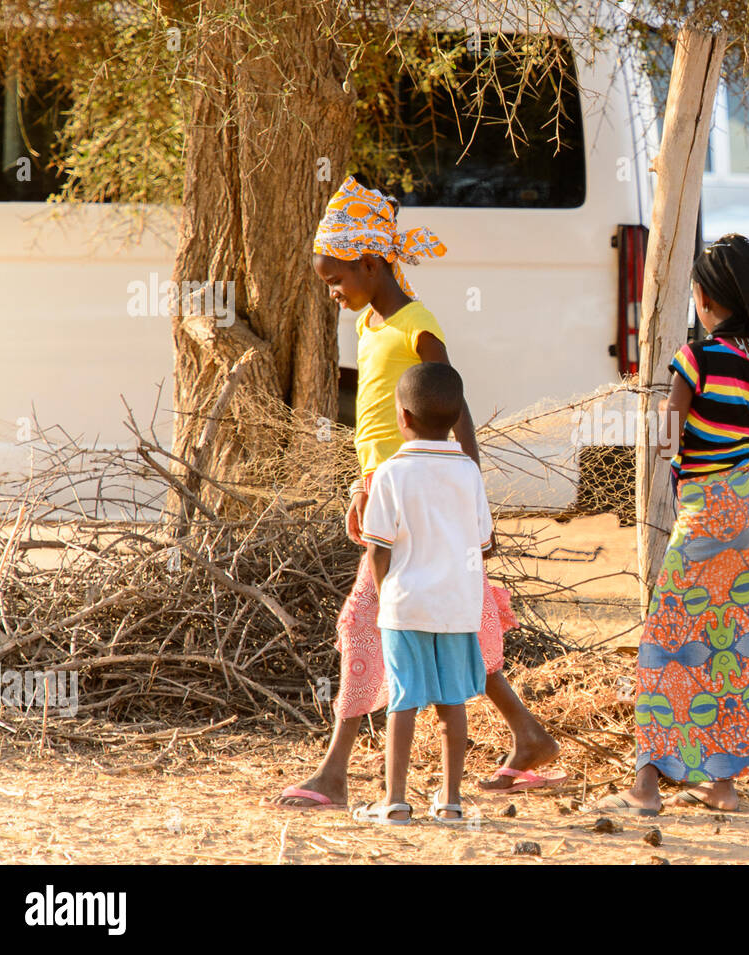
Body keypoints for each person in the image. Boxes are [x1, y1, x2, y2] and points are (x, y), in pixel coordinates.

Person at [271, 176, 559, 810]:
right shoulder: (374, 321)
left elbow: (456, 408)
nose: (334, 291)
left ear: (371, 262)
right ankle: (529, 734)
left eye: (337, 279)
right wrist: (362, 485)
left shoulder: (417, 325)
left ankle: (336, 773)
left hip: (421, 493)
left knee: (366, 622)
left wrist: (469, 496)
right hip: (385, 489)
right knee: (460, 619)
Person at [596, 234, 749, 815]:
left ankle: (646, 786)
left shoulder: (697, 358)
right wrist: (740, 445)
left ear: (707, 301)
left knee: (665, 644)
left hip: (703, 516)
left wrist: (684, 436)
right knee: (736, 649)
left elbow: (664, 440)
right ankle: (724, 785)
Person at [353, 362, 491, 823]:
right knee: (452, 703)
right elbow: (485, 544)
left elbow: (378, 546)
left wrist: (383, 590)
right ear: (454, 420)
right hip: (457, 608)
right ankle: (451, 802)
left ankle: (394, 800)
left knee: (404, 699)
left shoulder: (391, 473)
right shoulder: (469, 472)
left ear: (403, 417)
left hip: (405, 605)